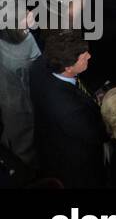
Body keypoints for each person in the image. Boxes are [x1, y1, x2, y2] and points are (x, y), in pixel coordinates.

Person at [28, 31, 106, 188]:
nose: (89, 56)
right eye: (84, 57)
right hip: (76, 162)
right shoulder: (70, 111)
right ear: (69, 68)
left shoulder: (40, 64)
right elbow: (96, 134)